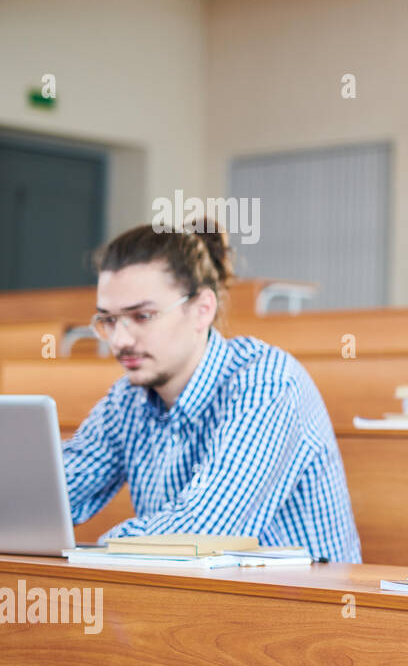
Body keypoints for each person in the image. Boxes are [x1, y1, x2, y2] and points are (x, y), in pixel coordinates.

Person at [62, 221, 362, 562]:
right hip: (193, 601)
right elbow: (57, 495)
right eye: (109, 320)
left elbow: (205, 529)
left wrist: (96, 550)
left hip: (303, 608)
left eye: (142, 316)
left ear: (203, 309)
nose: (120, 341)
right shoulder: (127, 399)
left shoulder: (269, 381)